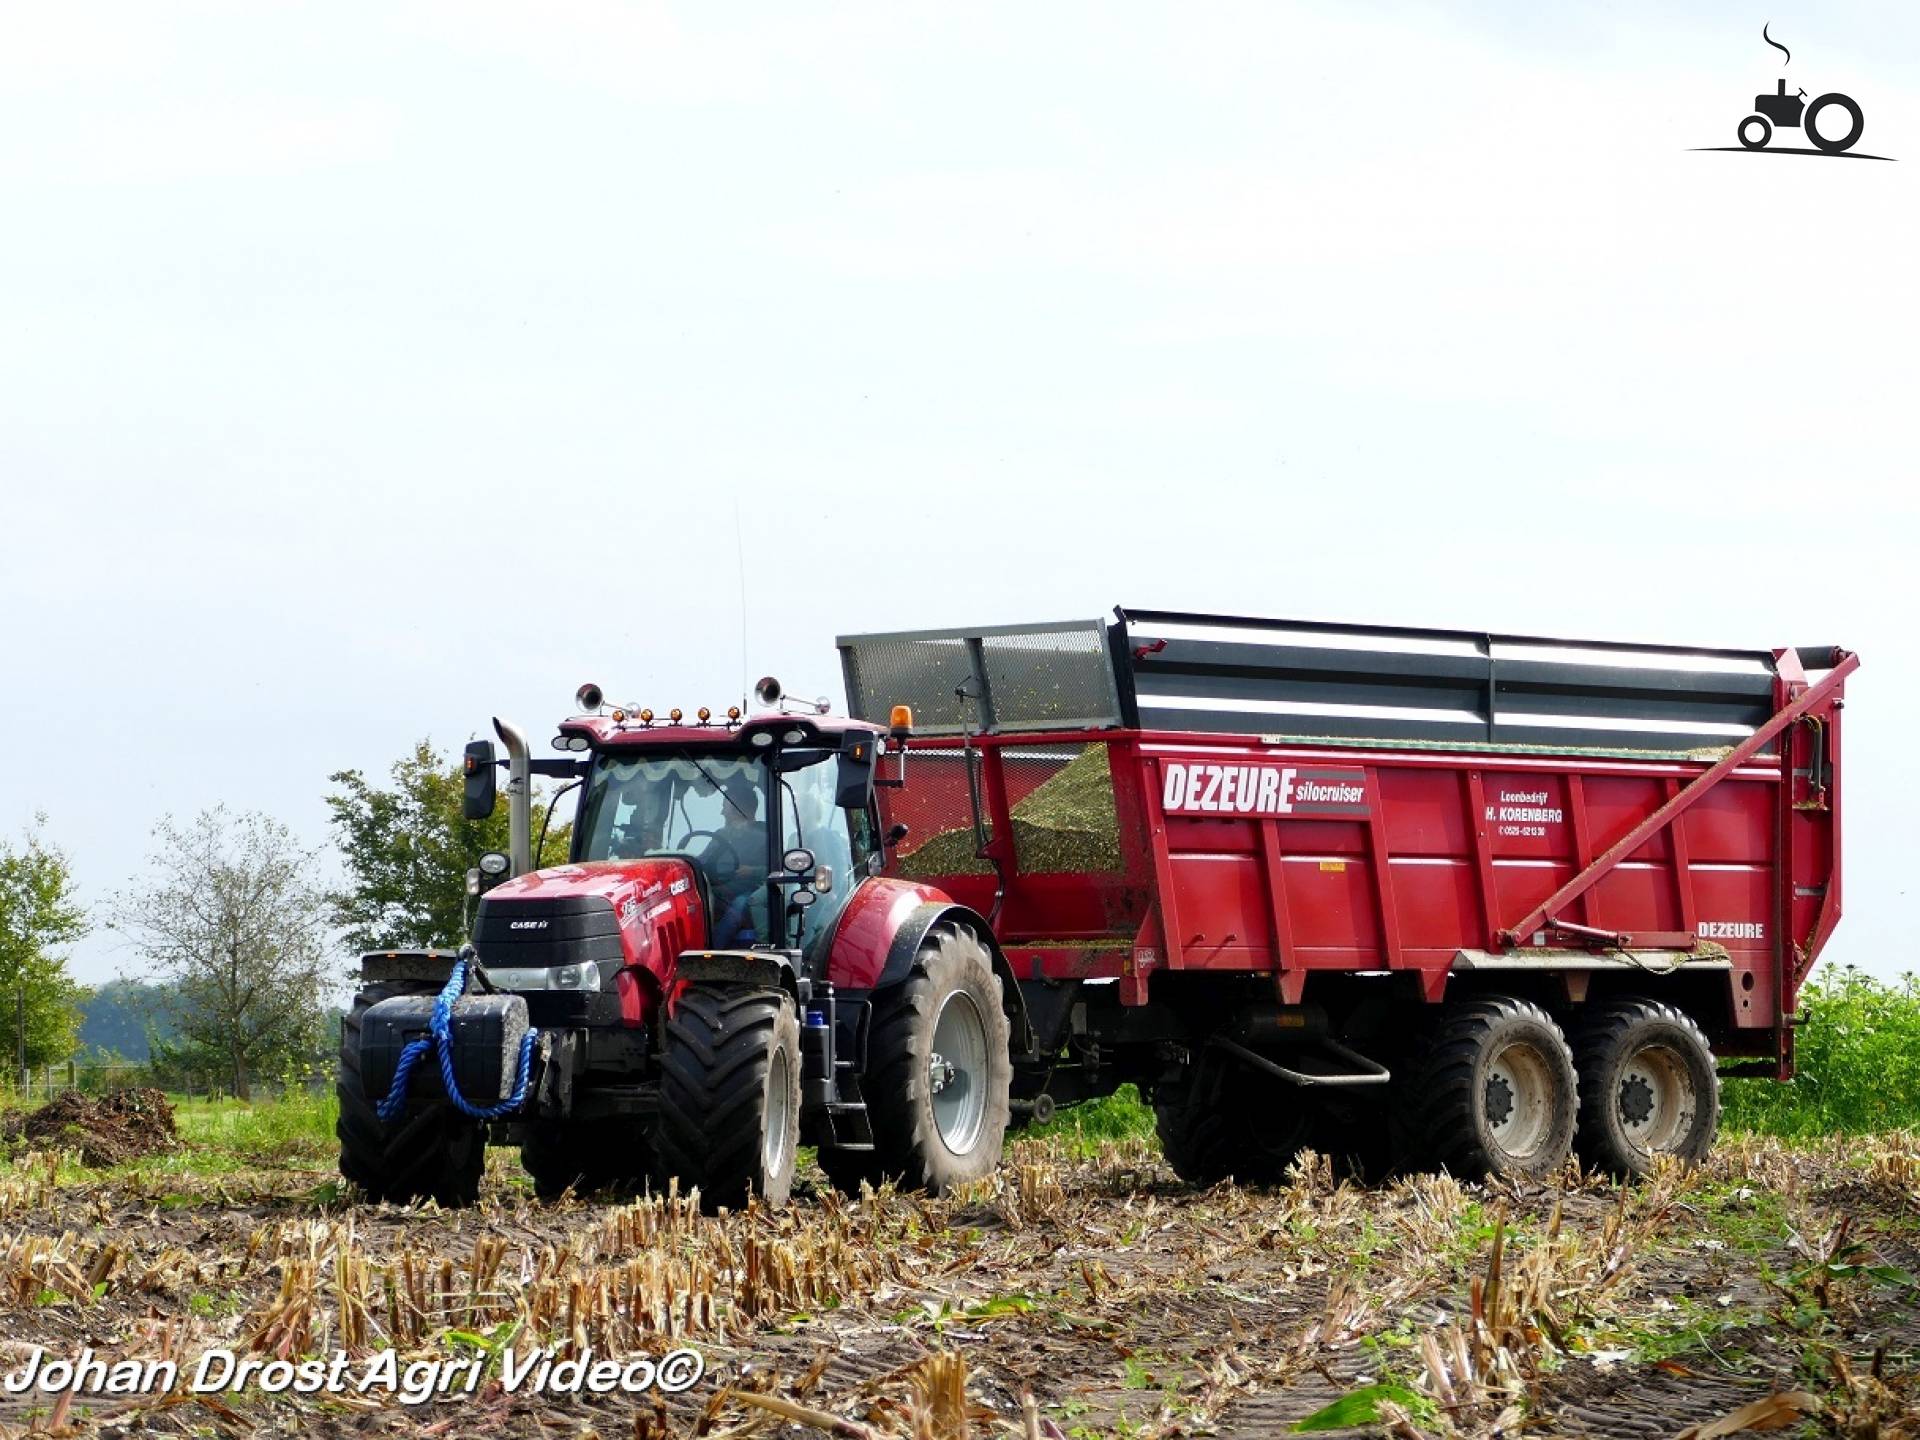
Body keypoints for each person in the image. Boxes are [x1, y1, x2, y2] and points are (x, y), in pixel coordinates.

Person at [701, 772, 768, 946]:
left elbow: (777, 868)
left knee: (738, 906)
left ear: (741, 808)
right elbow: (701, 861)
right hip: (721, 887)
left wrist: (752, 871)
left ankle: (713, 952)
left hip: (752, 889)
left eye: (725, 806)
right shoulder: (722, 835)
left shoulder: (766, 834)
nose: (722, 812)